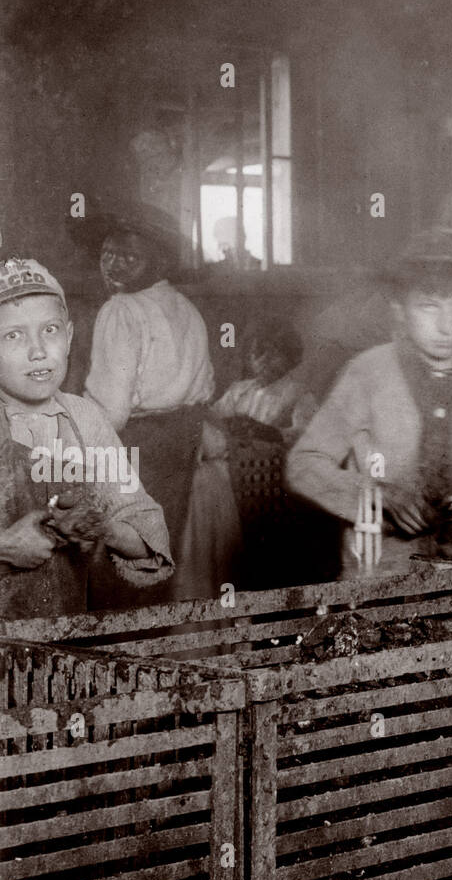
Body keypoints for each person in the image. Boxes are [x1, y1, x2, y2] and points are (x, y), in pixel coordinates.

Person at [285, 227, 452, 575]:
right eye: (429, 306)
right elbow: (305, 464)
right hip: (379, 574)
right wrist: (378, 495)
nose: (447, 325)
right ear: (399, 309)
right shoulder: (366, 374)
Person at [0, 258, 172, 618]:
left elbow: (147, 535)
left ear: (70, 336)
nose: (38, 351)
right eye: (12, 335)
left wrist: (101, 526)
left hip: (62, 651)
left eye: (50, 330)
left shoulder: (84, 419)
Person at [81, 202, 214, 603]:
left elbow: (111, 413)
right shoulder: (187, 308)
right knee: (159, 551)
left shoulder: (121, 309)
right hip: (183, 442)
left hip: (135, 445)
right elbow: (206, 386)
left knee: (121, 557)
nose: (114, 266)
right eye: (108, 254)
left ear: (160, 262)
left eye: (130, 257)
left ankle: (115, 654)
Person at [176, 319, 317, 600]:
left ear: (290, 357)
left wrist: (267, 431)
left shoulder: (298, 393)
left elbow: (306, 437)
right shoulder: (240, 390)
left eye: (271, 353)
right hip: (236, 475)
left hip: (269, 484)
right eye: (255, 354)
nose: (261, 361)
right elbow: (216, 418)